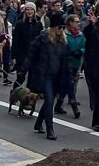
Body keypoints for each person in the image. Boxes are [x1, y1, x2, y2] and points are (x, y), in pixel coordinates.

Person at [27, 12, 68, 140]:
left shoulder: (63, 42)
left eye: (63, 27)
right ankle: (50, 128)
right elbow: (31, 55)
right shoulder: (42, 39)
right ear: (54, 27)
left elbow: (65, 61)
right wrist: (22, 70)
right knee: (49, 100)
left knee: (49, 101)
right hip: (45, 75)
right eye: (60, 27)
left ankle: (39, 123)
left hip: (57, 76)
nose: (61, 30)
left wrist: (68, 76)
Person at [57, 14, 85, 118]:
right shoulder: (64, 34)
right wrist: (69, 52)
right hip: (65, 62)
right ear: (70, 23)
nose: (79, 23)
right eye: (76, 22)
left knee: (67, 83)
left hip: (76, 62)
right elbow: (60, 47)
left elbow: (84, 46)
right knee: (70, 82)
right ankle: (74, 105)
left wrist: (81, 51)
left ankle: (59, 104)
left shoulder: (81, 35)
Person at [11, 3, 42, 86]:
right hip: (22, 54)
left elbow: (41, 40)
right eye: (27, 9)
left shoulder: (39, 24)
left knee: (32, 79)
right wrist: (13, 56)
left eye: (31, 9)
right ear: (24, 11)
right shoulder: (20, 24)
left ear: (34, 11)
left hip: (34, 55)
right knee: (20, 77)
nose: (29, 11)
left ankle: (28, 97)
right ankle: (15, 93)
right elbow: (15, 41)